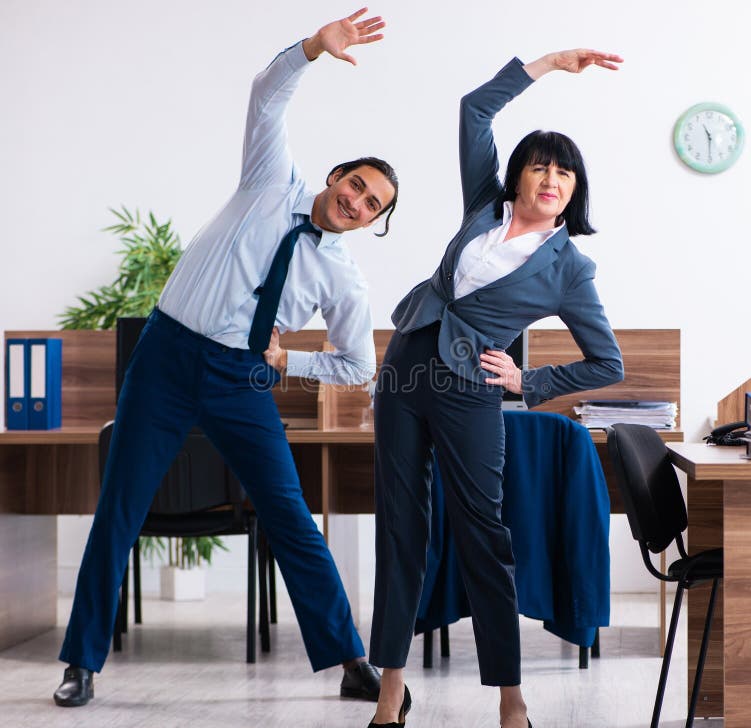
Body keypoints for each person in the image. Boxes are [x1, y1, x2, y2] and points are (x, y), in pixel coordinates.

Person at [54, 8, 411, 716]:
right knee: (120, 507)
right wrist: (314, 48)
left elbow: (356, 366)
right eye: (356, 185)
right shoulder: (269, 180)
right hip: (165, 357)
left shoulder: (344, 279)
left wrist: (289, 362)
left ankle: (350, 662)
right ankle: (80, 664)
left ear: (373, 222)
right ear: (337, 174)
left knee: (289, 515)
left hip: (240, 378)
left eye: (372, 205)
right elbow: (266, 94)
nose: (356, 202)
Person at [367, 48, 625, 727]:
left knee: (484, 535)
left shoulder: (570, 268)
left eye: (563, 171)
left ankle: (511, 698)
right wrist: (550, 63)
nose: (550, 177)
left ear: (575, 189)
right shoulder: (485, 203)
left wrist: (526, 379)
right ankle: (390, 688)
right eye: (539, 165)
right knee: (400, 528)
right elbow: (474, 110)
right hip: (404, 366)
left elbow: (608, 363)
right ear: (518, 175)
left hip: (468, 390)